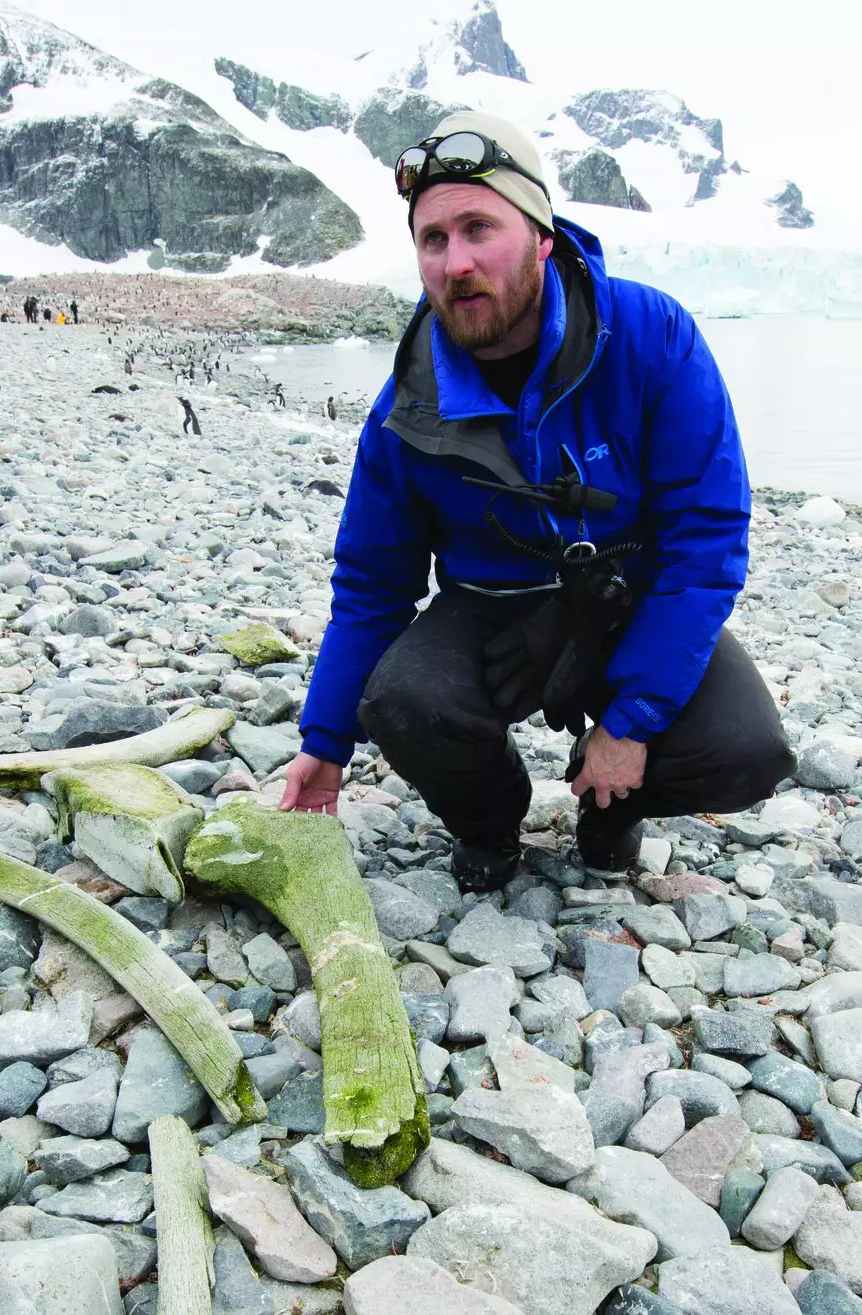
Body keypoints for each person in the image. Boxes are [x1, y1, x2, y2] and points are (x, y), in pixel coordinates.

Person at [278, 110, 795, 890]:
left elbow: (706, 539)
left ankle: (611, 806)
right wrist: (325, 740)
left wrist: (629, 722)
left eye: (479, 227)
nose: (456, 262)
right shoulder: (406, 408)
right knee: (404, 701)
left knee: (743, 749)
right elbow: (371, 589)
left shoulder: (652, 337)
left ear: (542, 234)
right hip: (491, 611)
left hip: (627, 601)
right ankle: (491, 823)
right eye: (434, 239)